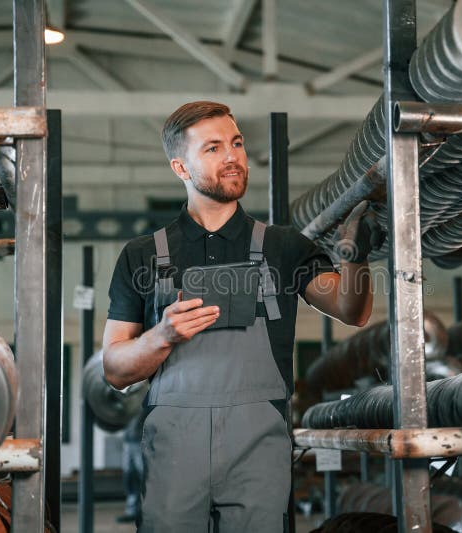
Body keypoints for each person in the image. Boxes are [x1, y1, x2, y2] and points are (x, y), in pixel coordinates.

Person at [103, 101, 379, 532]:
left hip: (258, 446)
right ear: (181, 167)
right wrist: (162, 335)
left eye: (236, 143)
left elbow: (351, 310)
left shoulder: (284, 247)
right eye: (213, 148)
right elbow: (115, 370)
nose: (232, 156)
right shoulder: (142, 255)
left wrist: (356, 253)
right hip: (176, 446)